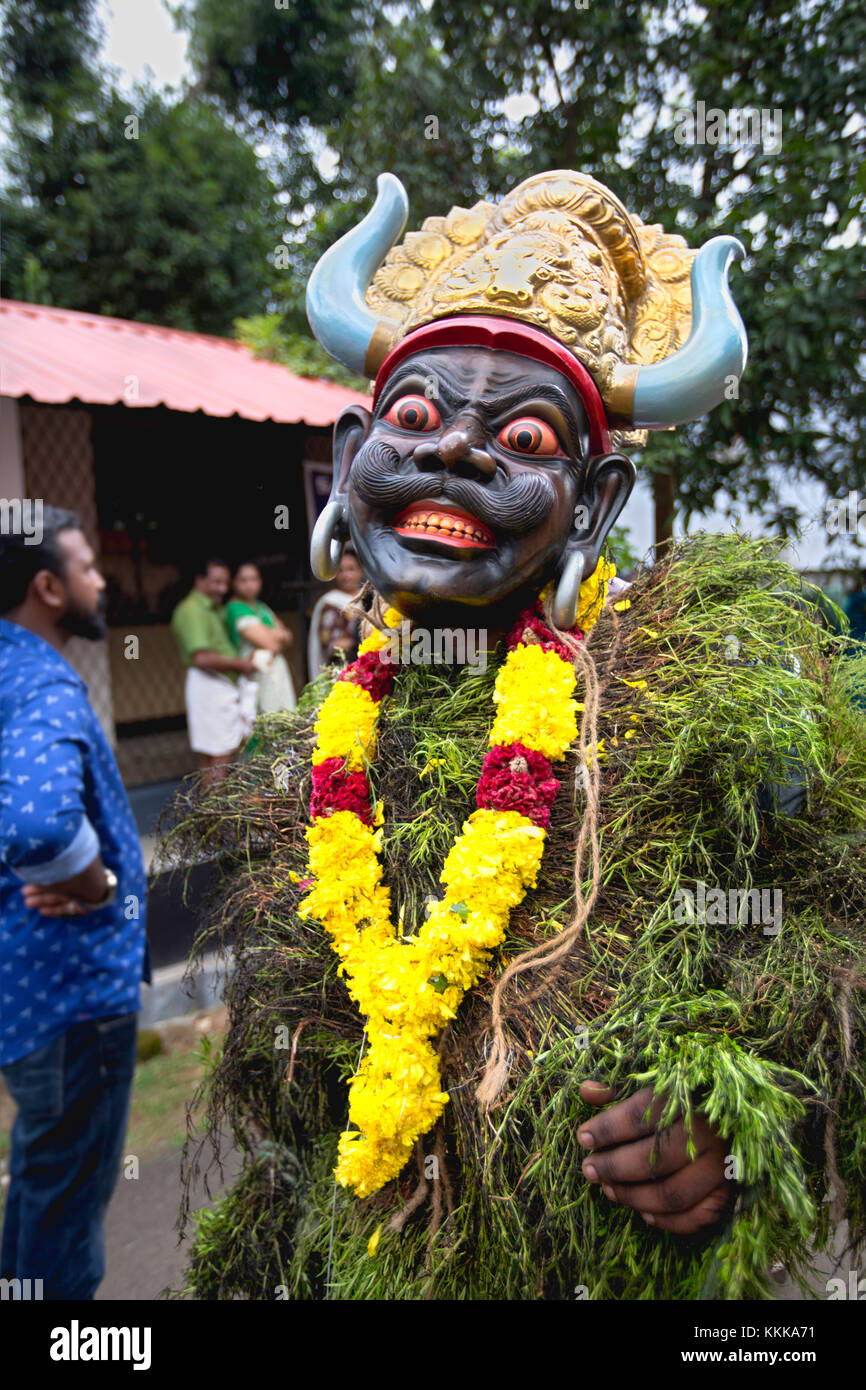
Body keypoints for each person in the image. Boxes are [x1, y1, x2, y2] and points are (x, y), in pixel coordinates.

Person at [172, 169, 865, 1300]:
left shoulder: (714, 709)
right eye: (412, 418)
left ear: (591, 501)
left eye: (522, 434)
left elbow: (830, 959)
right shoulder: (315, 741)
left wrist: (736, 1124)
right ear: (354, 452)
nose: (451, 453)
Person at [0, 505, 149, 1300]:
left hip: (26, 998)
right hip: (73, 1001)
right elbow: (37, 827)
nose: (101, 582)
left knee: (37, 1194)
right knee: (64, 1228)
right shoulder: (44, 684)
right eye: (88, 567)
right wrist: (97, 883)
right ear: (49, 586)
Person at [170, 558, 256, 784]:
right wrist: (241, 665)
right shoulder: (192, 610)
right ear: (199, 580)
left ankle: (211, 812)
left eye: (225, 583)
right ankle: (216, 812)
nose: (223, 589)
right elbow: (201, 657)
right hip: (210, 683)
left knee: (218, 754)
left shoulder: (212, 608)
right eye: (216, 582)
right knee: (220, 754)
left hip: (219, 684)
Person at [225, 562, 297, 720]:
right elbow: (272, 643)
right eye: (243, 580)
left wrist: (276, 635)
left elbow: (288, 636)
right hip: (258, 674)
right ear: (233, 582)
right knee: (267, 721)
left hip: (275, 670)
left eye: (254, 579)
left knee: (285, 720)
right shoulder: (236, 608)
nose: (249, 585)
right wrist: (277, 634)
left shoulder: (260, 606)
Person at [306, 548, 363, 681]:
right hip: (342, 675)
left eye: (351, 569)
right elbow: (332, 645)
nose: (346, 576)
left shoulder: (370, 600)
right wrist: (360, 642)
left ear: (361, 570)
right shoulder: (330, 603)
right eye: (340, 571)